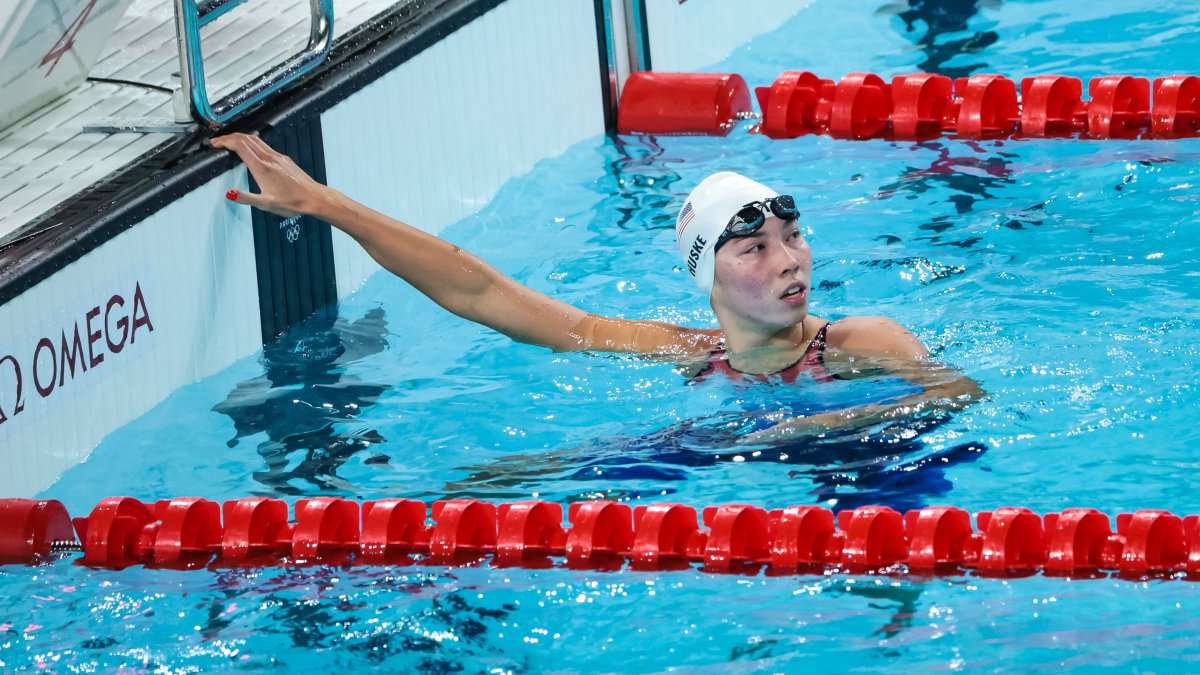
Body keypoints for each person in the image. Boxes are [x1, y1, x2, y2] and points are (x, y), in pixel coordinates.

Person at [210, 133, 983, 442]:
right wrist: (327, 205)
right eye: (754, 246)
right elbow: (482, 294)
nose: (790, 259)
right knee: (508, 484)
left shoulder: (856, 343)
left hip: (883, 482)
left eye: (793, 236)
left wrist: (795, 433)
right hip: (745, 471)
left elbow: (959, 393)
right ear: (705, 277)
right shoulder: (691, 352)